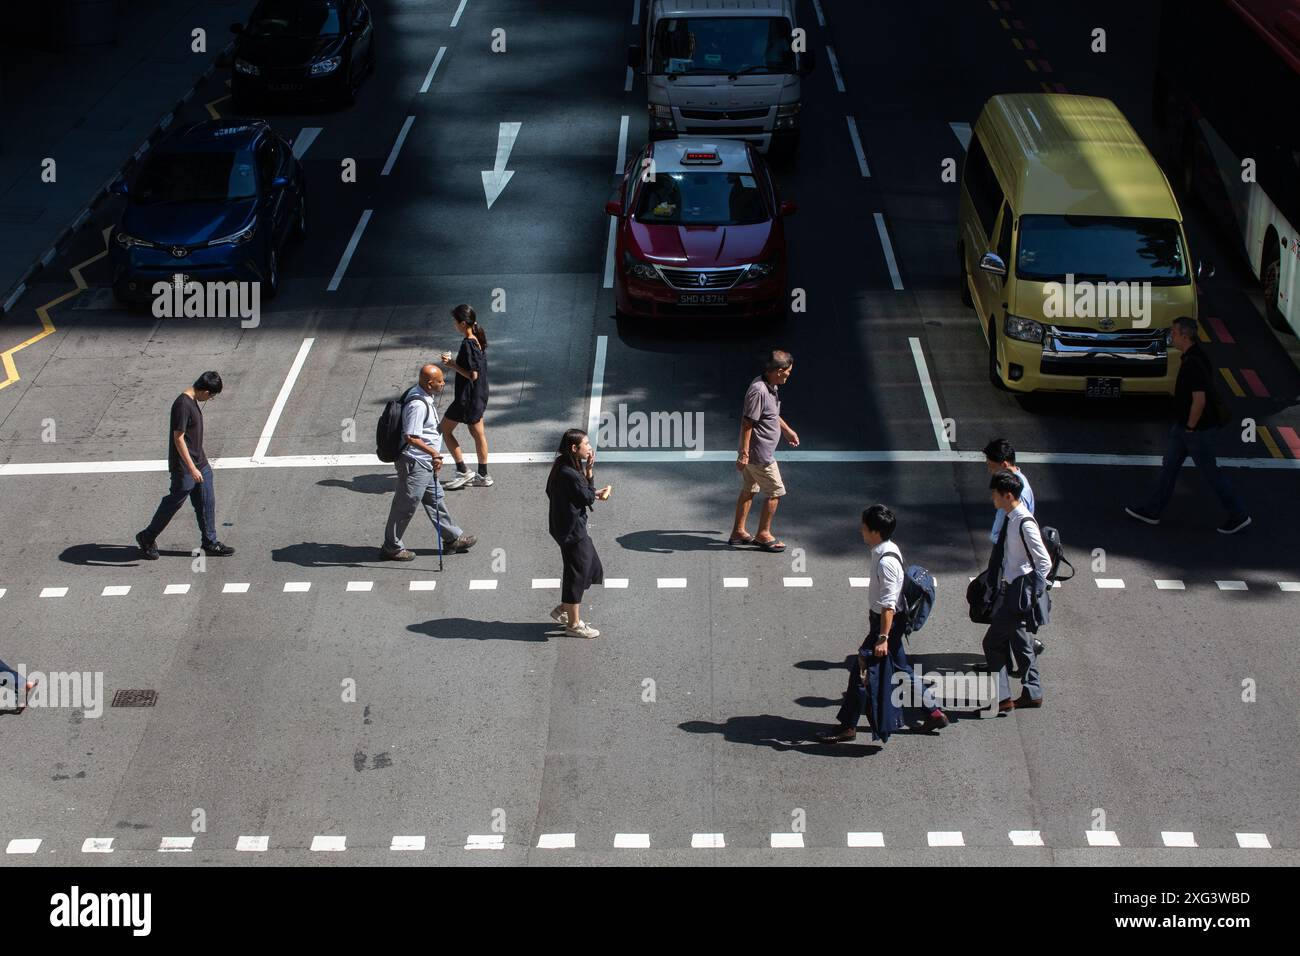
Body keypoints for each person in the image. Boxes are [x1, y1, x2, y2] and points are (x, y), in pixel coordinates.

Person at [817, 506, 949, 743]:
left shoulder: (886, 562)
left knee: (860, 671)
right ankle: (934, 712)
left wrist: (883, 638)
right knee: (903, 670)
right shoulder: (886, 548)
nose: (861, 530)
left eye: (864, 527)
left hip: (885, 625)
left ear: (875, 532)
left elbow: (889, 605)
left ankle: (847, 726)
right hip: (888, 623)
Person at [1126, 316, 1251, 534]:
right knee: (1170, 467)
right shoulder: (1194, 356)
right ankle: (1152, 510)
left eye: (1174, 333)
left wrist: (1190, 427)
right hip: (1185, 428)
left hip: (1195, 430)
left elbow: (1199, 400)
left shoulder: (1193, 362)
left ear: (1185, 335)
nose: (1171, 336)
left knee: (1212, 474)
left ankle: (1238, 515)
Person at [380, 365, 477, 561]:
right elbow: (411, 436)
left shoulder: (422, 395)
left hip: (423, 463)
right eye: (440, 381)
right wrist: (434, 453)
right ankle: (391, 546)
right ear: (430, 383)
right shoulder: (418, 405)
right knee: (405, 505)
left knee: (436, 500)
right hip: (416, 463)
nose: (443, 384)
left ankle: (452, 538)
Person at [136, 371, 235, 560]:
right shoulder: (182, 404)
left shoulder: (193, 401)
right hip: (185, 467)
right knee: (174, 503)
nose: (210, 399)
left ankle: (210, 542)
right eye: (211, 396)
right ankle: (147, 537)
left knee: (206, 502)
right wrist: (191, 468)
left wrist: (199, 464)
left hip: (200, 462)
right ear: (205, 391)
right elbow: (178, 438)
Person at [984, 470, 1052, 712]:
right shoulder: (1012, 517)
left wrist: (1031, 591)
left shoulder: (1023, 522)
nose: (992, 497)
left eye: (995, 493)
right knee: (1022, 645)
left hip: (1018, 594)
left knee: (992, 643)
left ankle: (1002, 698)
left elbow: (1044, 562)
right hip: (1012, 589)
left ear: (1008, 495)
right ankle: (1033, 693)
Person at [546, 429, 612, 639]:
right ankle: (573, 624)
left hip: (566, 527)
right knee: (577, 573)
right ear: (575, 448)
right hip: (571, 530)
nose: (590, 448)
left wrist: (587, 490)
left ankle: (565, 608)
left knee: (591, 567)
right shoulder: (570, 473)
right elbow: (587, 498)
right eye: (587, 444)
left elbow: (572, 493)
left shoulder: (562, 465)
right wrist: (590, 476)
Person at [731, 350, 799, 552]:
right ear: (779, 371)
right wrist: (744, 454)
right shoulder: (759, 390)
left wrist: (786, 430)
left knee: (749, 490)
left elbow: (771, 414)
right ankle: (763, 534)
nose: (789, 375)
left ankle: (738, 532)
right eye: (788, 371)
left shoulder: (771, 386)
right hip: (760, 456)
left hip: (755, 455)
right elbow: (747, 423)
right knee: (775, 492)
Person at [984, 437, 1043, 666]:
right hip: (1008, 559)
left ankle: (1024, 653)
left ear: (1005, 465)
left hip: (1012, 564)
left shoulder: (1018, 496)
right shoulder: (1015, 484)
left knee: (1007, 612)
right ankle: (1008, 658)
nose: (990, 472)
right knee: (1005, 613)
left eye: (991, 467)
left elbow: (1021, 535)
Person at [439, 304, 493, 489]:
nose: (454, 324)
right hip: (478, 396)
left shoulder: (468, 343)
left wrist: (452, 364)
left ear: (463, 323)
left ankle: (462, 470)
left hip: (467, 398)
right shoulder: (478, 338)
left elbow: (472, 374)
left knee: (444, 430)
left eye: (455, 321)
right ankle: (483, 475)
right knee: (478, 435)